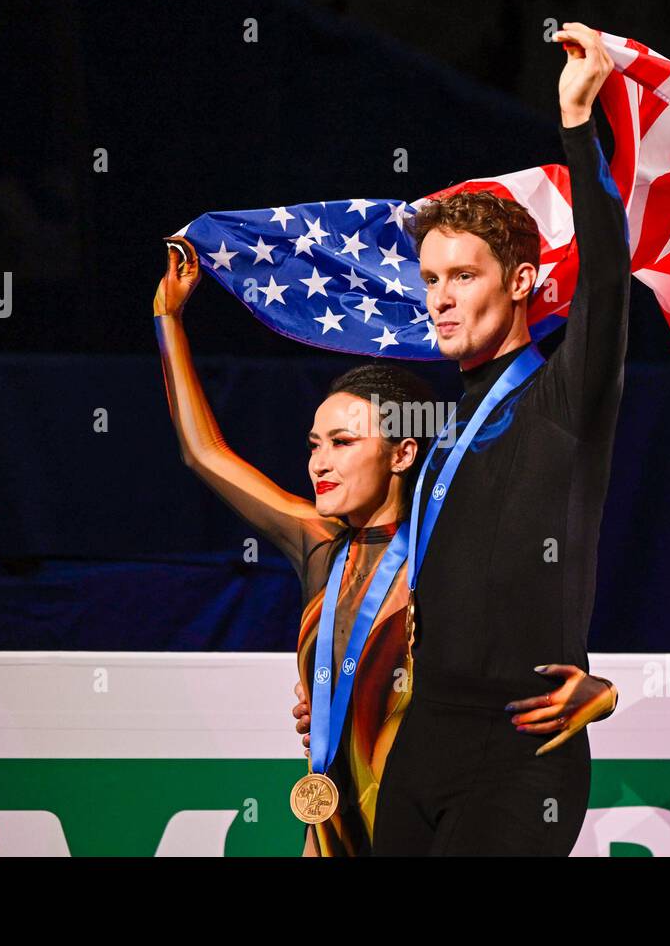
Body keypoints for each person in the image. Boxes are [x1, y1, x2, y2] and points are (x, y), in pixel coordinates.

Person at [152, 237, 615, 855]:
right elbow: (202, 452)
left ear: (402, 453)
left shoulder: (450, 543)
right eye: (315, 443)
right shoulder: (317, 544)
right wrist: (169, 321)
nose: (319, 462)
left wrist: (604, 692)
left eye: (343, 443)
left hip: (434, 795)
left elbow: (534, 620)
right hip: (338, 812)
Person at [365, 22, 632, 855]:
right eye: (431, 279)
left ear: (521, 282)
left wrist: (578, 123)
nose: (440, 298)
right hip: (419, 744)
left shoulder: (562, 396)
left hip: (524, 751)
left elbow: (609, 272)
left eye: (465, 275)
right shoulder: (440, 430)